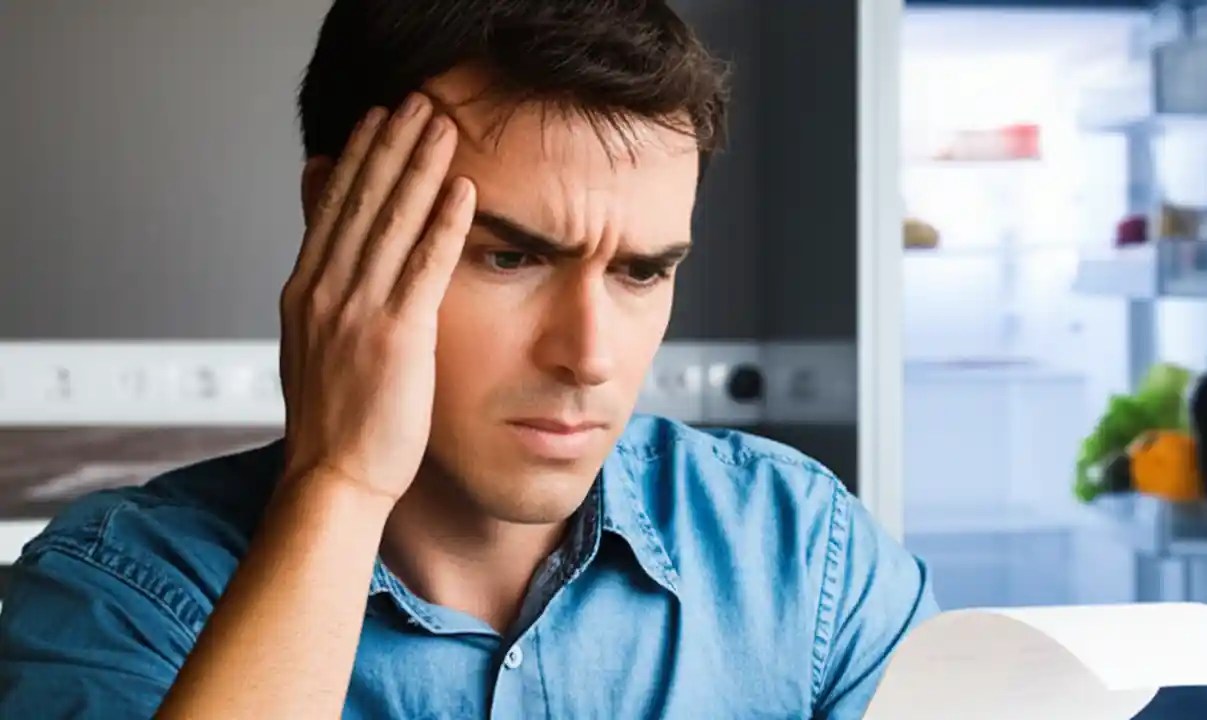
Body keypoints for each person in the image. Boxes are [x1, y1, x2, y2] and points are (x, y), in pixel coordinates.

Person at [0, 1, 938, 717]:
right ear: (339, 218)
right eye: (511, 257)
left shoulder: (799, 550)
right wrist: (340, 482)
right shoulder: (119, 595)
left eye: (643, 272)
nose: (590, 356)